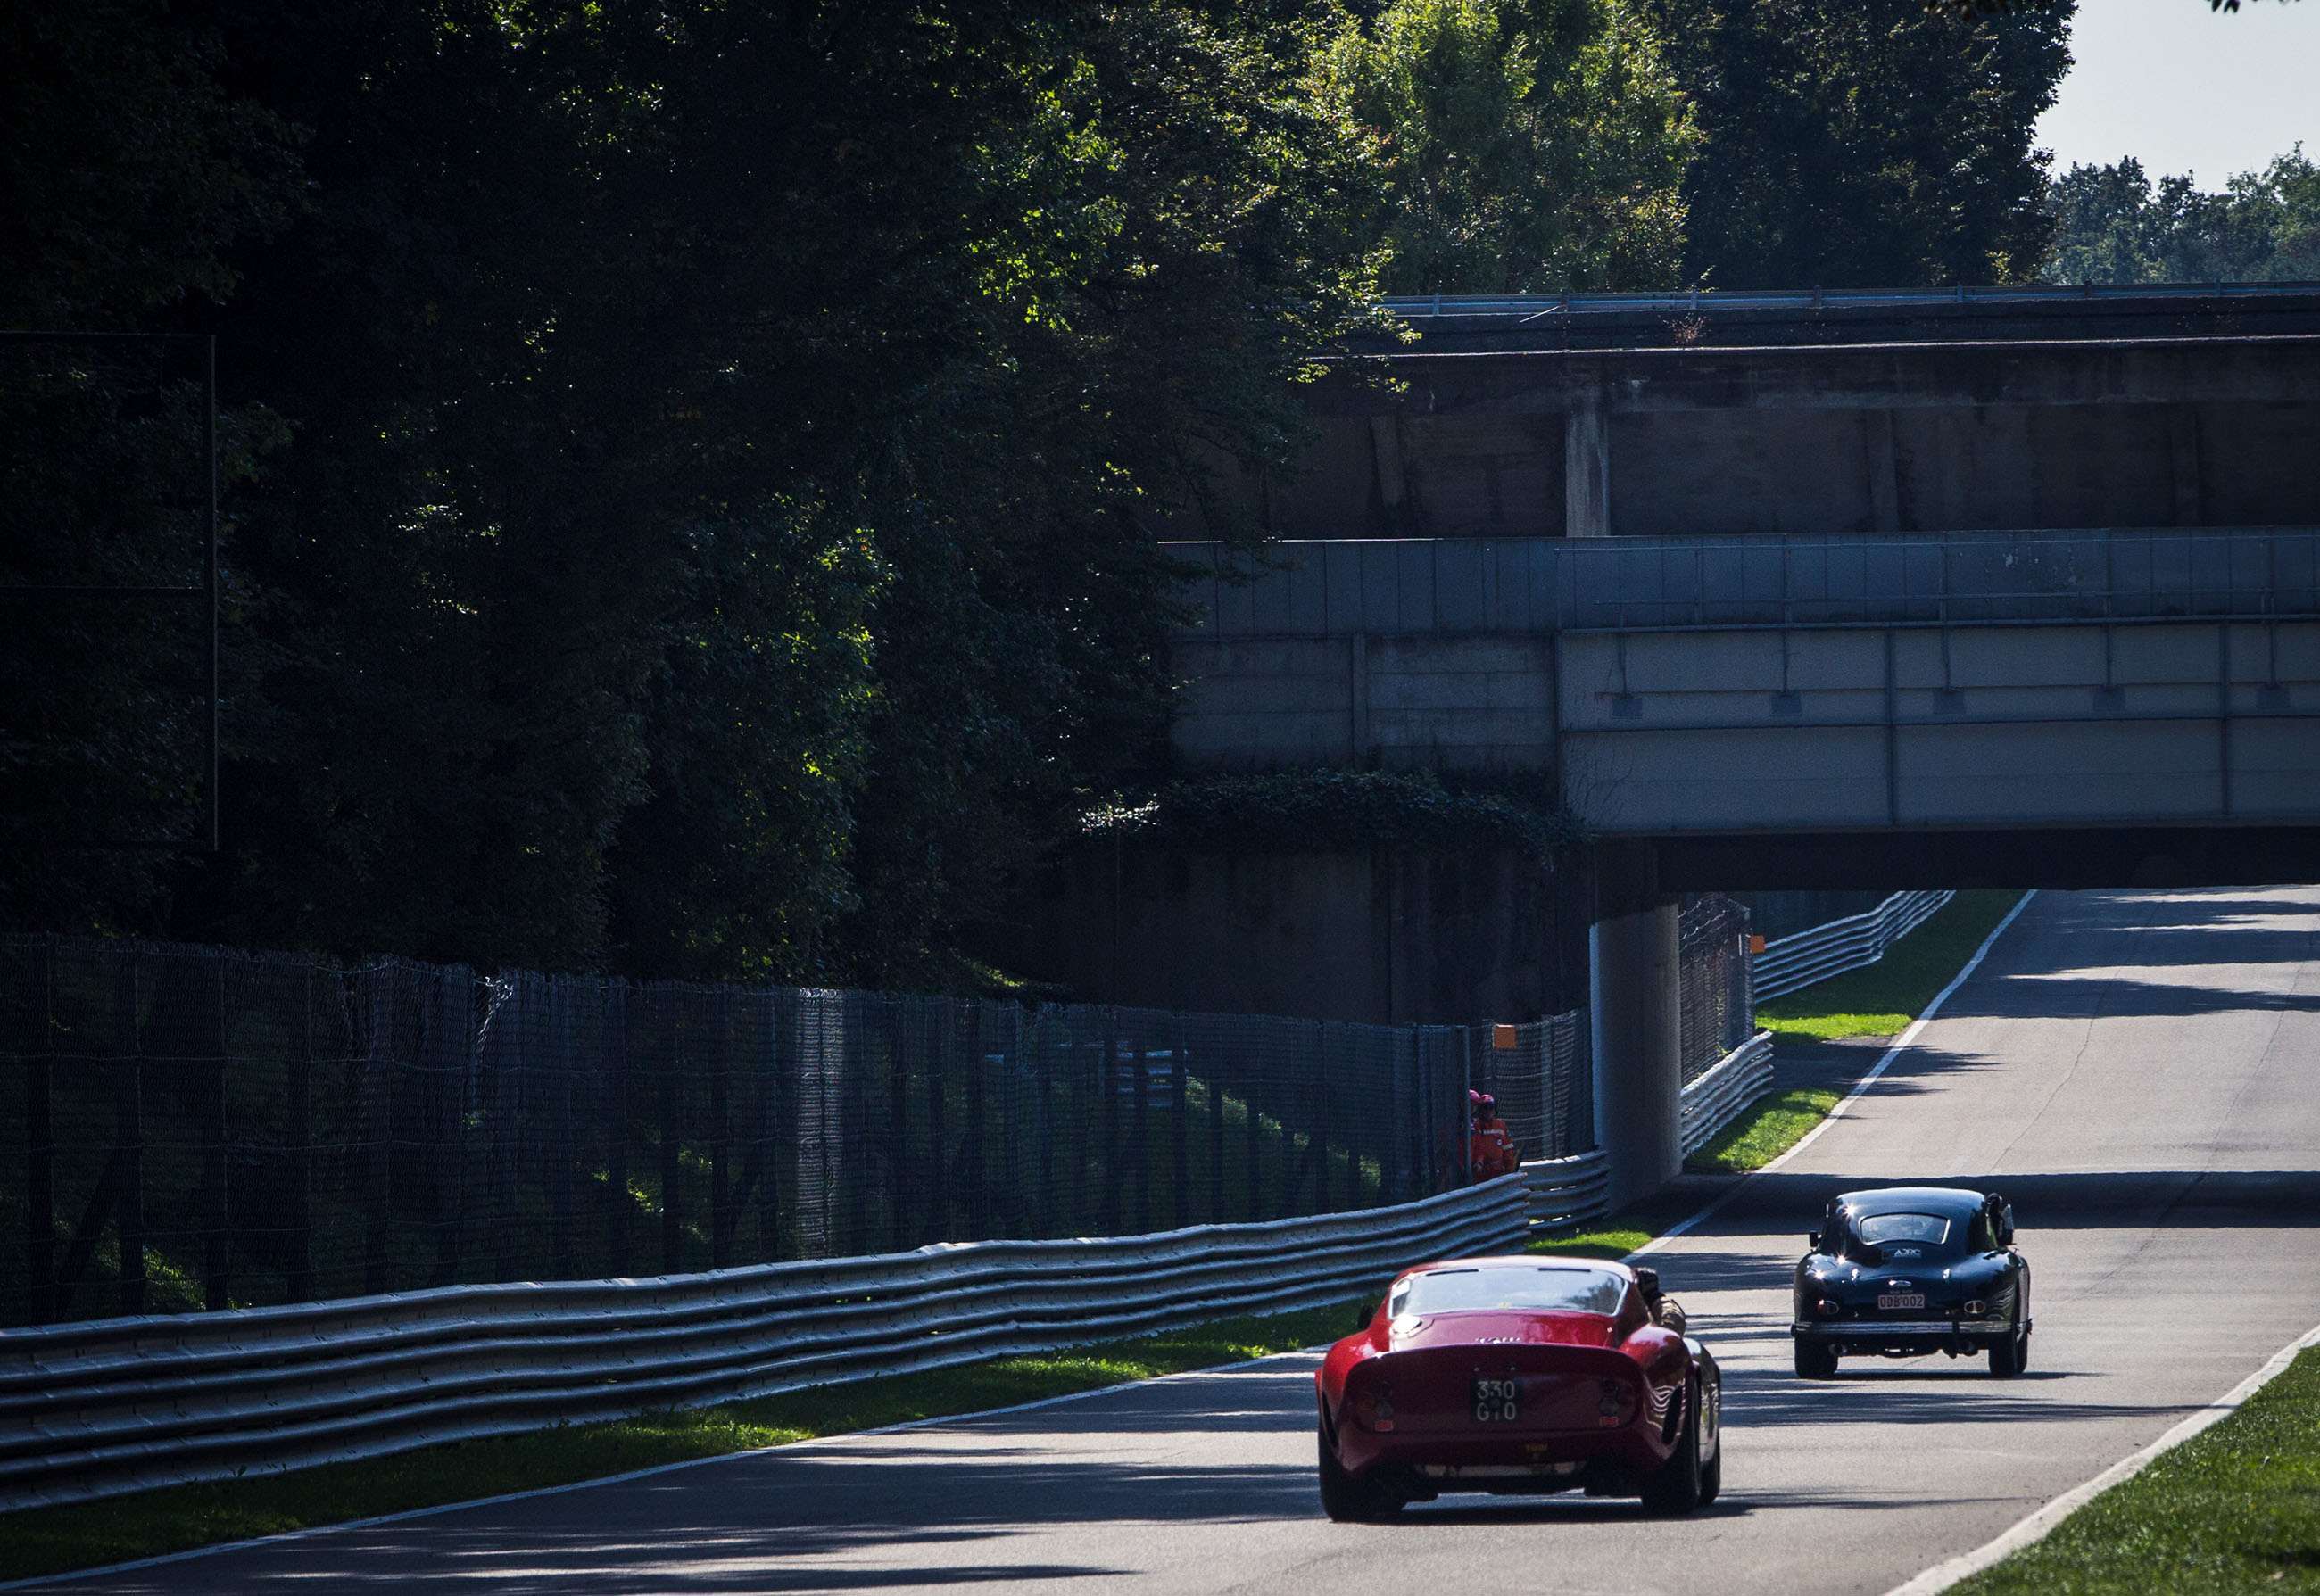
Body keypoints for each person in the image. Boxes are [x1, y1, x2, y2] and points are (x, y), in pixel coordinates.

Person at [1635, 1266, 1687, 1336]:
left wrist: (1655, 1335)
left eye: (1634, 1286)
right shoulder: (1634, 1306)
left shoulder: (1664, 1305)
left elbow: (1675, 1322)